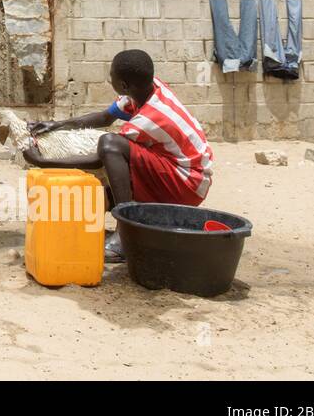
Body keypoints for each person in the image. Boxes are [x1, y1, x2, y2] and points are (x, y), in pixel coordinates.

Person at [28, 48, 214, 262]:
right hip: (181, 172)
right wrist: (57, 125)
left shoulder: (150, 117)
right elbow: (105, 117)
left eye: (112, 77)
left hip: (188, 183)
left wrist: (43, 161)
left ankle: (125, 233)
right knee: (107, 193)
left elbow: (103, 156)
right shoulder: (147, 90)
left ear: (124, 85)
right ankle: (134, 224)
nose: (109, 80)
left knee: (110, 144)